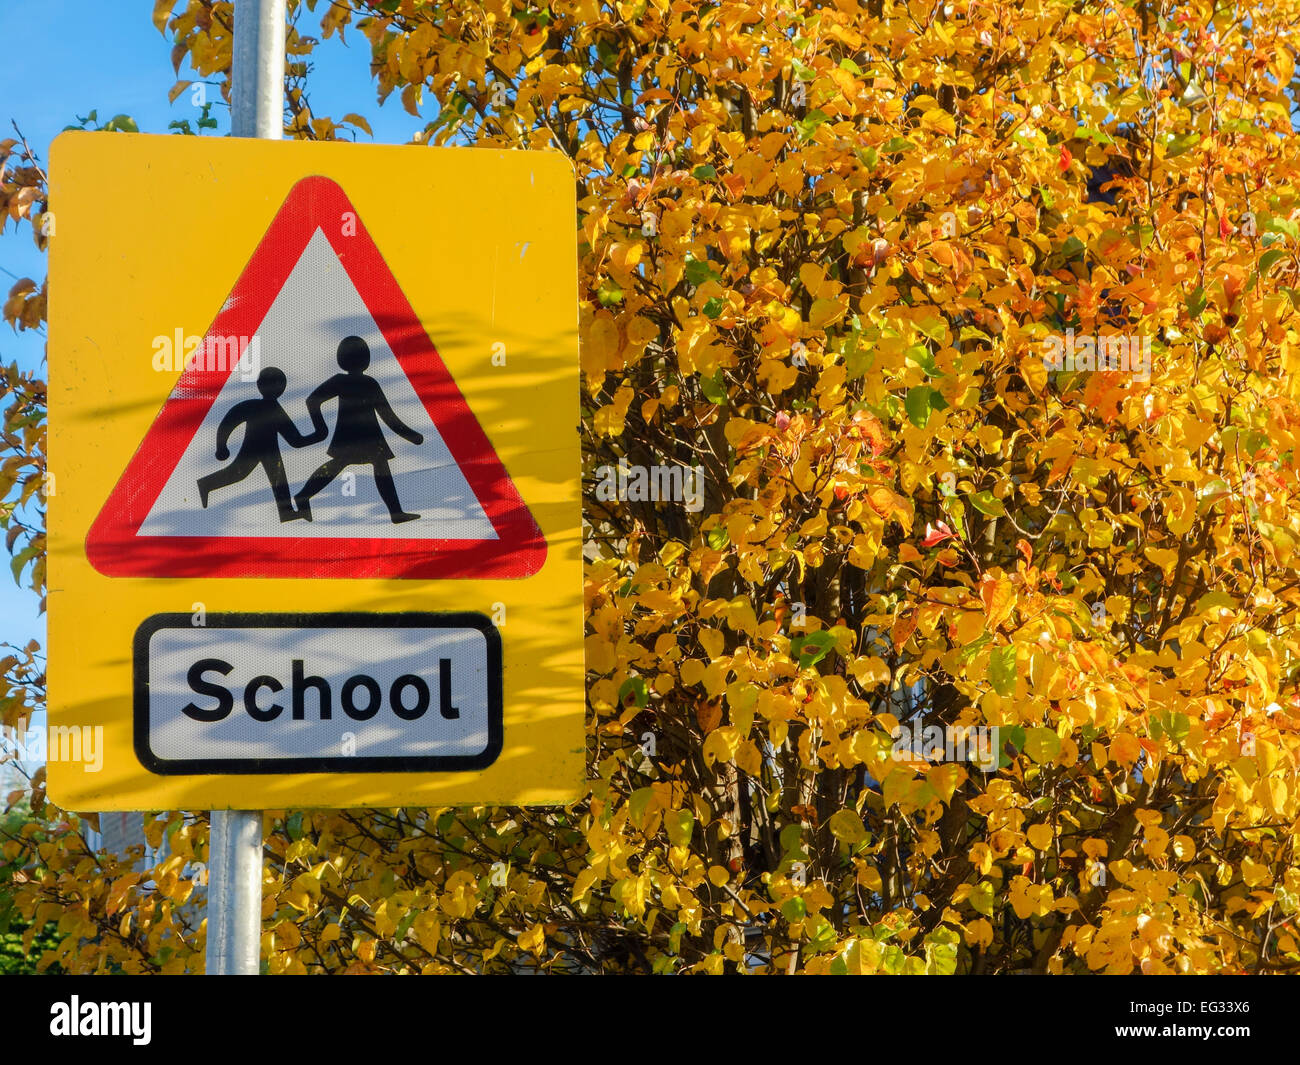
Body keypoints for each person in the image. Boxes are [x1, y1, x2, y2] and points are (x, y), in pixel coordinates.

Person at [294, 335, 424, 523]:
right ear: (366, 359)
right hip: (363, 436)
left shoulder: (346, 381)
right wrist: (411, 436)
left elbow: (313, 401)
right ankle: (303, 496)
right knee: (363, 465)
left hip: (356, 436)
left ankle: (304, 496)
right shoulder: (367, 383)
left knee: (362, 465)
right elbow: (388, 416)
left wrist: (320, 428)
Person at [197, 366, 321, 522]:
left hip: (268, 450)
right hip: (257, 449)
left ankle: (286, 511)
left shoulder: (256, 406)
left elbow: (229, 421)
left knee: (275, 480)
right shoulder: (269, 408)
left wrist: (221, 446)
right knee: (240, 473)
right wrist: (318, 435)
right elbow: (295, 440)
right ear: (281, 388)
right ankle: (206, 484)